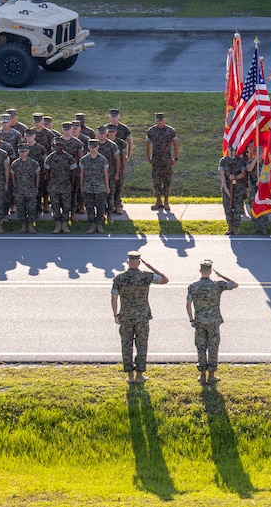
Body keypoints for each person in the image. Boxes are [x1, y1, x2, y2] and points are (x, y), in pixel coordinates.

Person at [111, 251, 169, 384]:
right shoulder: (146, 276)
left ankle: (130, 375)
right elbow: (164, 279)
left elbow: (114, 297)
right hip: (142, 316)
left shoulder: (119, 278)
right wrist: (149, 266)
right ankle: (139, 375)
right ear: (138, 262)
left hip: (125, 316)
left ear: (127, 262)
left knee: (126, 345)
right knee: (141, 345)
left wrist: (115, 314)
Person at [186, 260, 239, 384]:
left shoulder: (193, 286)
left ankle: (202, 375)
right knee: (213, 348)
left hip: (199, 322)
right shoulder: (218, 285)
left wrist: (191, 319)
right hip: (213, 322)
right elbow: (235, 284)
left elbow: (188, 305)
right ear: (210, 272)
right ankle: (211, 375)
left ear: (200, 271)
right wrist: (221, 276)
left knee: (201, 347)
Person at [146, 113, 179, 211]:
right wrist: (149, 158)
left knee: (167, 181)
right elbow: (147, 145)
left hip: (167, 161)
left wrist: (175, 158)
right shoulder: (151, 131)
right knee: (156, 181)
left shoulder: (170, 131)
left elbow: (176, 145)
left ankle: (166, 201)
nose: (159, 122)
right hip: (156, 161)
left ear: (164, 120)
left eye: (161, 120)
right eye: (157, 120)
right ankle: (158, 201)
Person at [44, 138, 76, 233]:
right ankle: (58, 224)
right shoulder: (50, 158)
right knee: (55, 205)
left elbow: (74, 171)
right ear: (54, 146)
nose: (58, 147)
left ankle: (65, 223)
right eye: (57, 145)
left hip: (66, 185)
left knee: (66, 205)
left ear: (63, 146)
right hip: (54, 186)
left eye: (60, 145)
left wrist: (72, 183)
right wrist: (50, 182)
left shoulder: (69, 158)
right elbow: (46, 170)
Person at [79, 139, 110, 233]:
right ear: (88, 147)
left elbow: (106, 174)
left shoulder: (103, 159)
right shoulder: (84, 159)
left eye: (95, 147)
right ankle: (92, 224)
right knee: (89, 207)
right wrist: (81, 186)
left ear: (98, 147)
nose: (93, 149)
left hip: (100, 187)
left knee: (101, 207)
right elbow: (82, 174)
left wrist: (107, 187)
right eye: (91, 147)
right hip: (88, 187)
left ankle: (99, 224)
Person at [10, 144, 41, 234]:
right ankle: (23, 225)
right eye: (20, 151)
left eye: (24, 151)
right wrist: (16, 187)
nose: (22, 153)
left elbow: (37, 176)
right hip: (19, 190)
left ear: (28, 151)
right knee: (20, 208)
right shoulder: (15, 164)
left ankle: (30, 225)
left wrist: (36, 187)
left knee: (31, 208)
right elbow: (13, 177)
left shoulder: (33, 163)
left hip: (30, 190)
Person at [218, 144, 247, 235]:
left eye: (233, 150)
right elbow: (222, 175)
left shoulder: (240, 160)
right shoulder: (223, 161)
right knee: (227, 207)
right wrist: (226, 188)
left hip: (238, 188)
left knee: (238, 208)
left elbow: (243, 173)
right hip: (227, 187)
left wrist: (235, 177)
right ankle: (230, 227)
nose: (231, 152)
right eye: (230, 150)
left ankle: (236, 227)